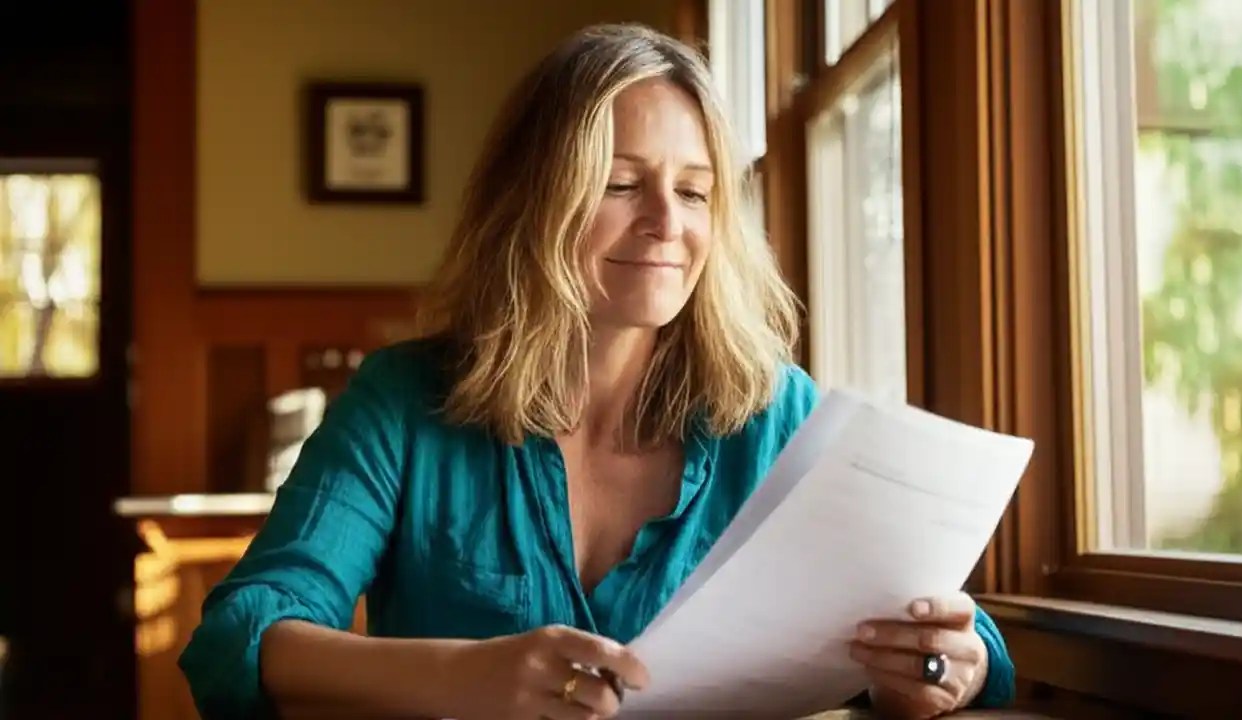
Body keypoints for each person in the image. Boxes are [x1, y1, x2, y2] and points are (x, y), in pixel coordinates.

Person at [179, 22, 1015, 720]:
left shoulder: (776, 414)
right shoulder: (402, 402)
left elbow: (965, 645)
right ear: (533, 203)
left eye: (694, 193)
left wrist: (943, 669)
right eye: (620, 183)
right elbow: (239, 638)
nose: (664, 223)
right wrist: (459, 677)